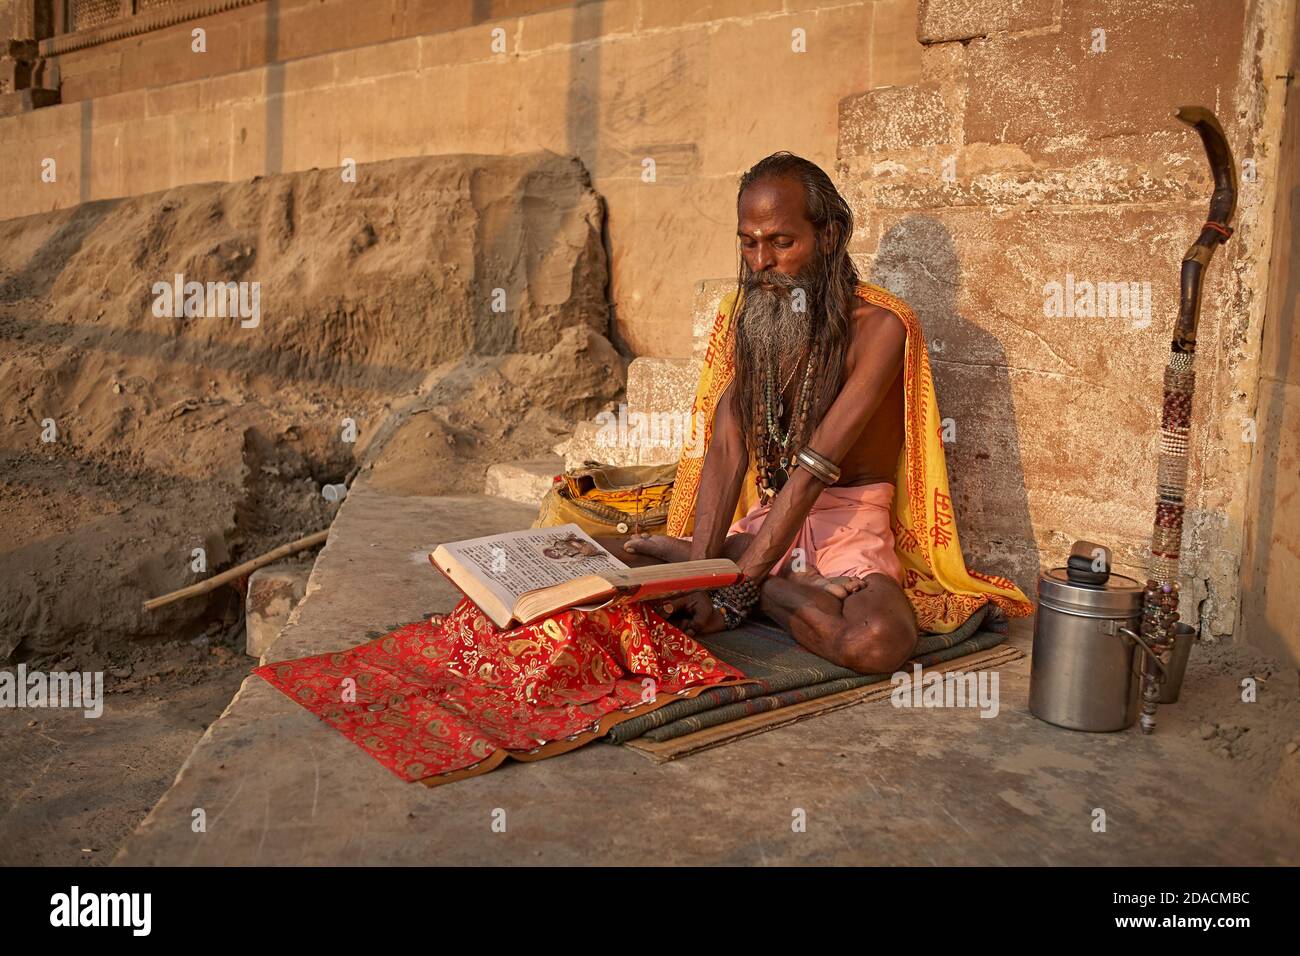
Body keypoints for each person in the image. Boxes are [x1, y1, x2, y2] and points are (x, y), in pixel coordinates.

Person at [594, 151, 917, 674]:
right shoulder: (756, 317)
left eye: (782, 242)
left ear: (829, 237)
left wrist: (733, 592)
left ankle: (761, 584)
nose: (761, 261)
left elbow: (815, 470)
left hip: (847, 525)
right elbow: (726, 449)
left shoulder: (880, 329)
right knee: (583, 555)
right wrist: (698, 578)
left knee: (876, 643)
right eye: (749, 242)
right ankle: (776, 584)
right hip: (766, 523)